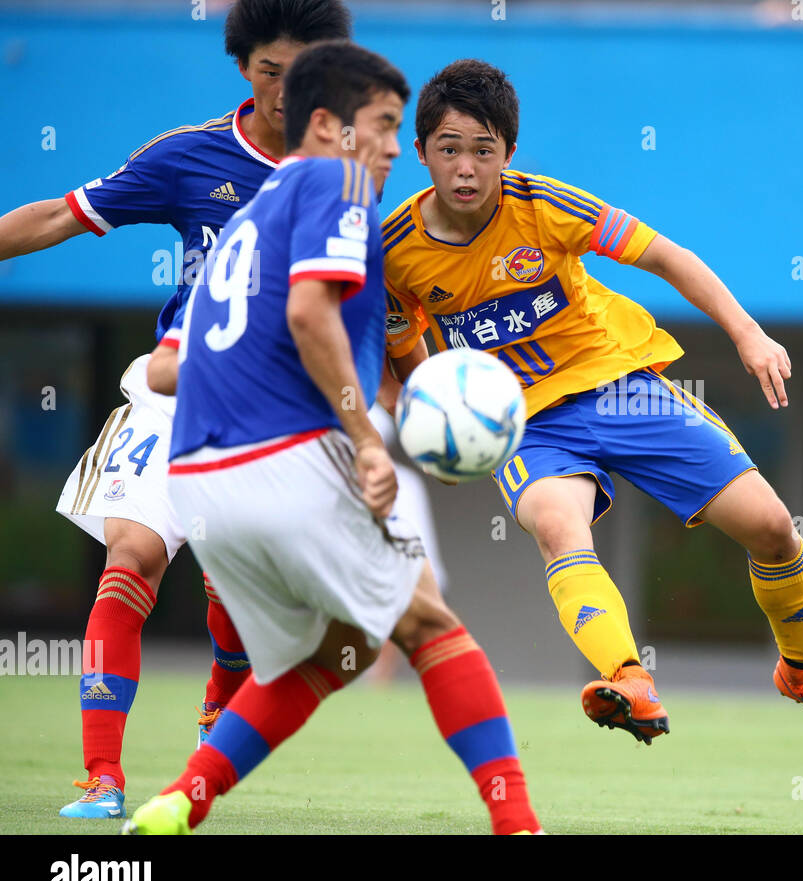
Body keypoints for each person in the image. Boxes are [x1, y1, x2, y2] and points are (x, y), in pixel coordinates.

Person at [381, 59, 803, 748]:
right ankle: (629, 677)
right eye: (449, 149)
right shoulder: (391, 256)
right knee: (561, 528)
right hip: (526, 424)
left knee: (772, 527)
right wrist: (426, 424)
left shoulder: (547, 205)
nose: (466, 168)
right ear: (421, 153)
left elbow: (665, 256)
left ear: (508, 153)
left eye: (483, 150)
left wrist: (747, 332)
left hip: (619, 385)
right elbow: (398, 355)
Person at [124, 41, 540, 835]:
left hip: (204, 484)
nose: (392, 149)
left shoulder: (248, 221)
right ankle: (520, 826)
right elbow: (311, 314)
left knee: (335, 653)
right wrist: (369, 439)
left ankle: (183, 800)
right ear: (325, 125)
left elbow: (167, 370)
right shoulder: (336, 182)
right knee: (431, 625)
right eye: (383, 127)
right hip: (284, 465)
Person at [0, 0, 351, 818]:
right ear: (243, 68)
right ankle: (100, 778)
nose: (285, 89)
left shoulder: (348, 176)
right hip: (171, 393)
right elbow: (60, 214)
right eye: (269, 70)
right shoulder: (188, 156)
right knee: (129, 558)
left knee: (236, 598)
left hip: (272, 418)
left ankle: (215, 715)